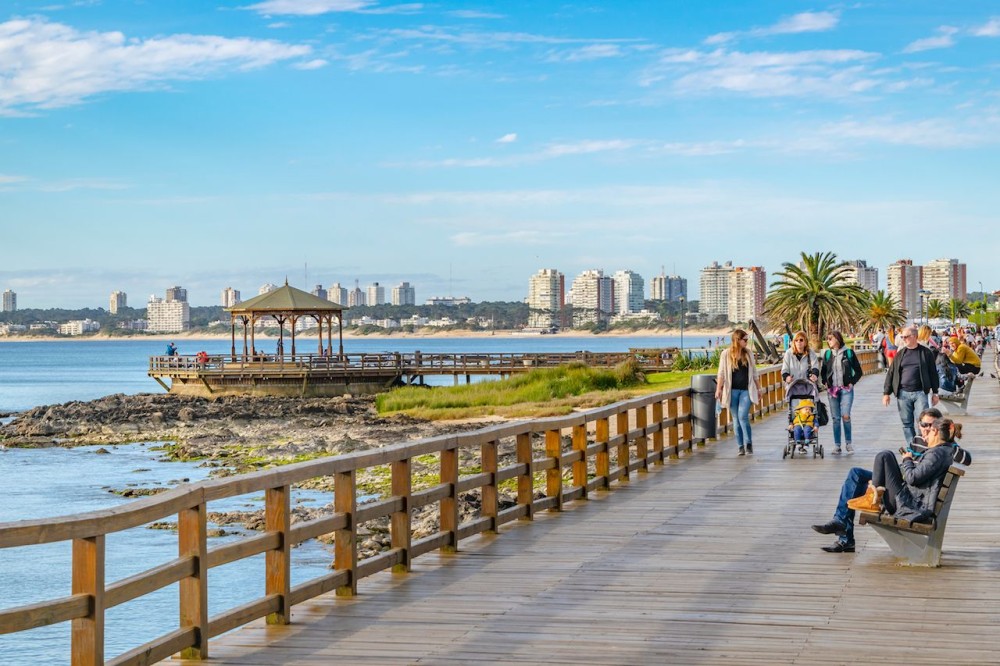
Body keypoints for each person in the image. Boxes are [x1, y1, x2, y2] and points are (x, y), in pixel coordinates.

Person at [811, 409, 958, 553]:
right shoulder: (930, 446)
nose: (926, 429)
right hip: (907, 489)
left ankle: (869, 501)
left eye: (930, 426)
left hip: (909, 500)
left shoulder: (937, 452)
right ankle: (842, 526)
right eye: (923, 425)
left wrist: (907, 461)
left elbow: (913, 478)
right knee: (856, 474)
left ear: (938, 431)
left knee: (885, 456)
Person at [883, 326, 940, 446]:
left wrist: (935, 392)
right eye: (902, 337)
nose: (903, 339)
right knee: (906, 423)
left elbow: (933, 373)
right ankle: (912, 446)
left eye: (906, 337)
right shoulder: (900, 354)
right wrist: (886, 393)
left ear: (914, 336)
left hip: (920, 392)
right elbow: (891, 372)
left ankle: (923, 445)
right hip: (903, 393)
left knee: (923, 422)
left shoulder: (925, 353)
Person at [715, 329, 762, 457]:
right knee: (736, 419)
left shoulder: (749, 354)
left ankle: (748, 443)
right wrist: (718, 389)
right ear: (737, 340)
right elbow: (721, 373)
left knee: (742, 416)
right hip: (732, 391)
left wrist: (758, 388)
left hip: (746, 390)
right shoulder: (726, 354)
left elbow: (755, 373)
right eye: (744, 340)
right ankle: (740, 446)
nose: (747, 342)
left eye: (747, 340)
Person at [820, 330, 864, 456]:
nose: (828, 341)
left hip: (846, 390)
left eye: (830, 339)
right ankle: (837, 445)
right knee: (835, 419)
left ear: (837, 339)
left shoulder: (849, 353)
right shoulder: (828, 354)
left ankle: (849, 444)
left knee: (845, 416)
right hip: (832, 390)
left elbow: (859, 371)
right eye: (827, 339)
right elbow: (823, 371)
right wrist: (825, 382)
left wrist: (851, 383)